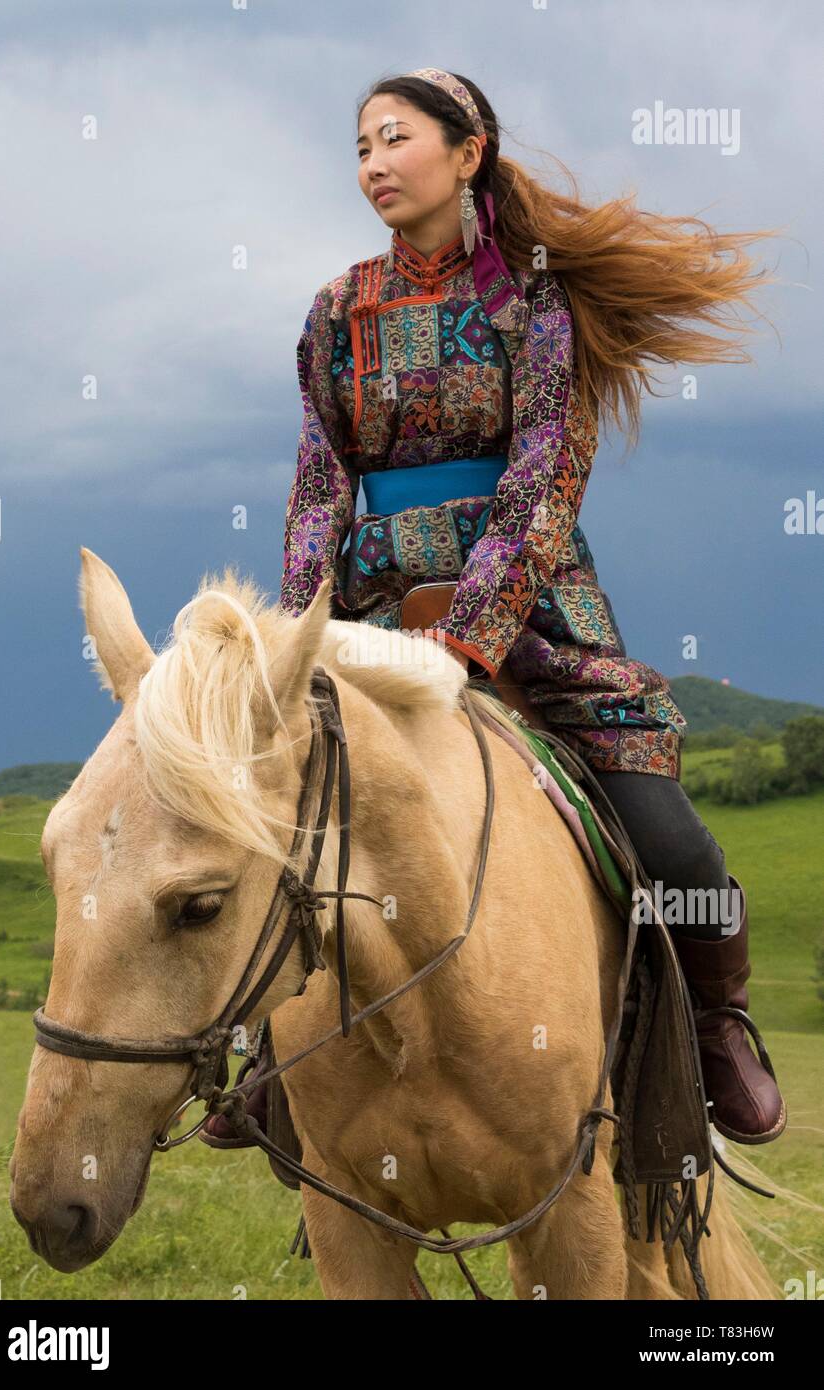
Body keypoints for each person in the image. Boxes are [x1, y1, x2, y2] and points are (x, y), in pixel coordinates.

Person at [206, 68, 786, 1149]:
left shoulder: (534, 304)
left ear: (466, 152)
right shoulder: (336, 311)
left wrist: (463, 642)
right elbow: (319, 485)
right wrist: (289, 638)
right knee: (267, 807)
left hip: (529, 614)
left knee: (670, 842)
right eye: (359, 147)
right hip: (369, 611)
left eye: (394, 140)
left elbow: (540, 480)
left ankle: (714, 1022)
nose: (372, 163)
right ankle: (266, 1052)